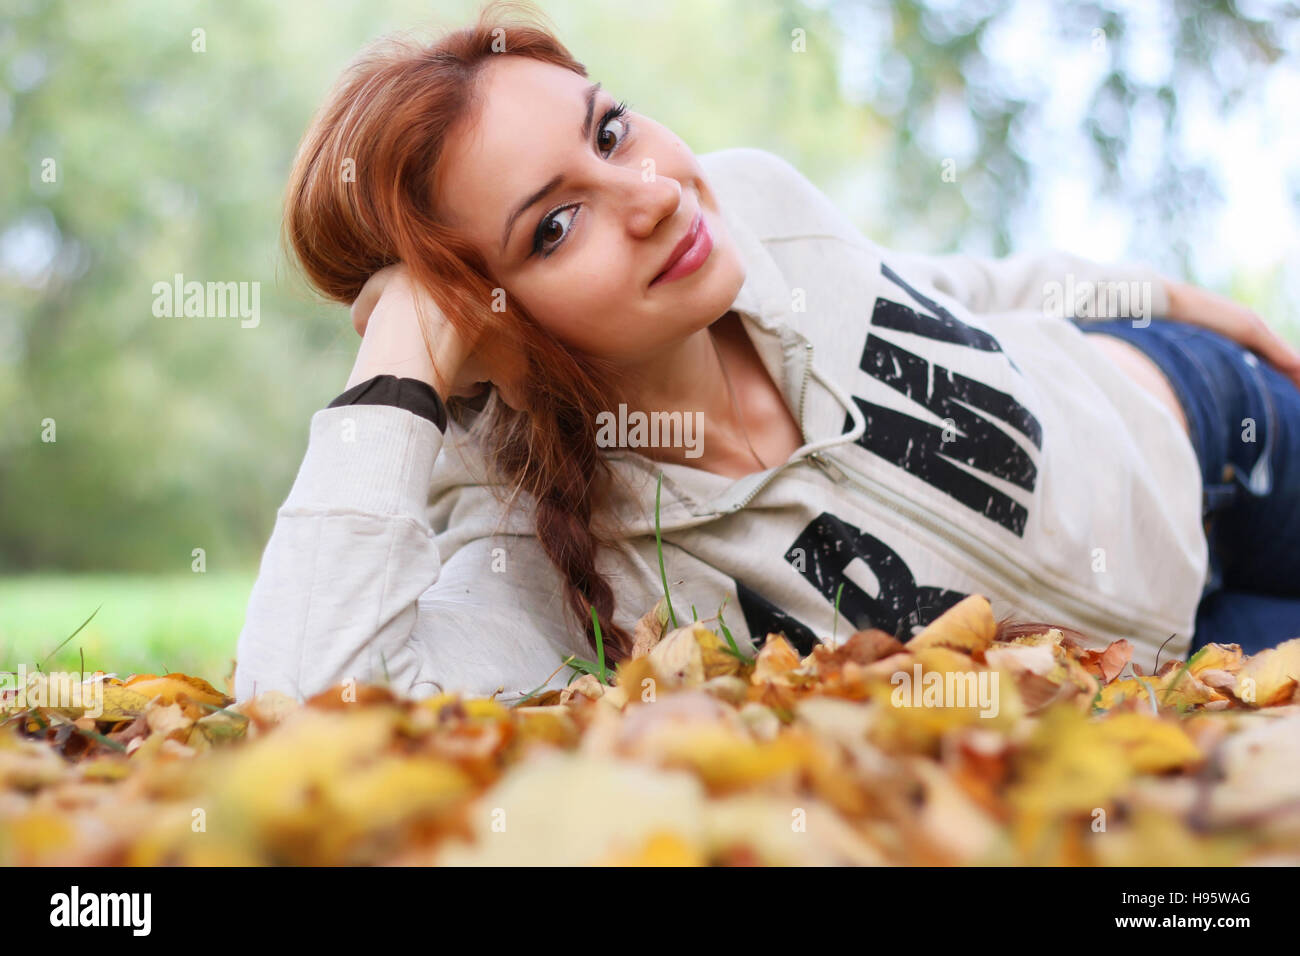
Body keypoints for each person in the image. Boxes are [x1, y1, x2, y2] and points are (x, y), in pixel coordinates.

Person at [233, 2, 1300, 703]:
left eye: (608, 132)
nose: (651, 195)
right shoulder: (545, 562)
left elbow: (954, 289)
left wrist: (1174, 299)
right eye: (553, 227)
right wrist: (401, 348)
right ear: (483, 327)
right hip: (1181, 653)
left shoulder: (752, 200)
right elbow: (304, 701)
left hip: (1197, 412)